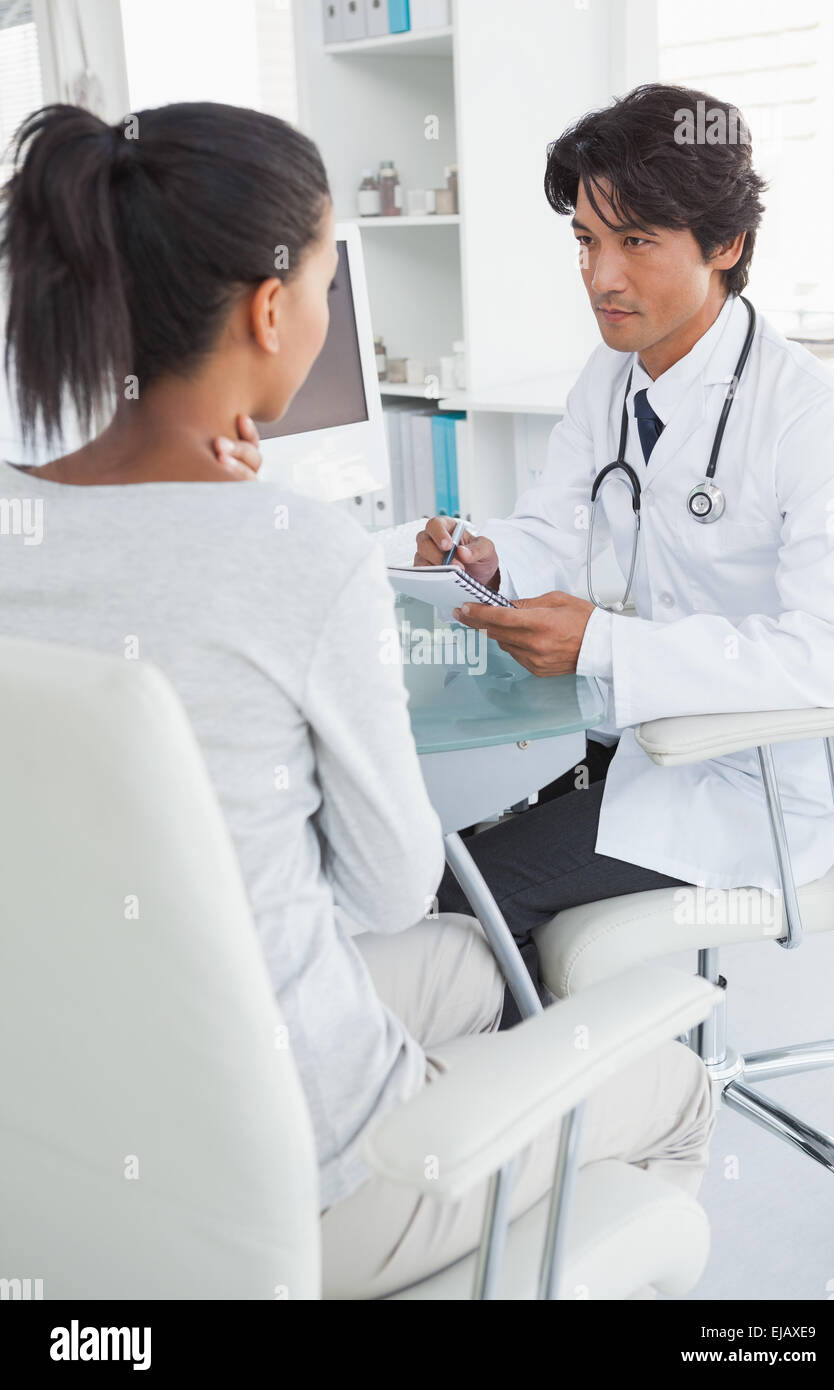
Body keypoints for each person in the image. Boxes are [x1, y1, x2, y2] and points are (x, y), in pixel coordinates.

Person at [0, 100, 714, 1298]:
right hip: (281, 1187)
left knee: (474, 965)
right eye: (328, 279)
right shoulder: (294, 554)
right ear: (270, 309)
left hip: (51, 1134)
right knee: (676, 1091)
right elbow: (380, 882)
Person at [416, 84, 834, 1026]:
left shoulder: (812, 420)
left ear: (725, 247)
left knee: (470, 901)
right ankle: (552, 1101)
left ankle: (541, 1141)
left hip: (760, 781)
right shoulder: (614, 374)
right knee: (430, 847)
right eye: (586, 240)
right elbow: (559, 528)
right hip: (637, 740)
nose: (601, 278)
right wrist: (497, 561)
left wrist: (607, 648)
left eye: (636, 242)